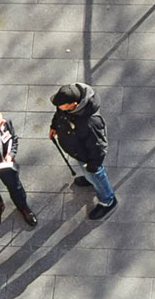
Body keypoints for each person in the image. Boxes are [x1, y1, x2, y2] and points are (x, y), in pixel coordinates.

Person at [49, 83, 116, 217]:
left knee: (96, 174)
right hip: (78, 150)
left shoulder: (91, 122)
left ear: (73, 104)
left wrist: (93, 166)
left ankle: (108, 200)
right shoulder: (66, 108)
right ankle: (90, 179)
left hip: (87, 157)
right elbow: (59, 114)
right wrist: (54, 126)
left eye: (62, 105)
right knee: (89, 173)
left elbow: (99, 147)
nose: (59, 107)